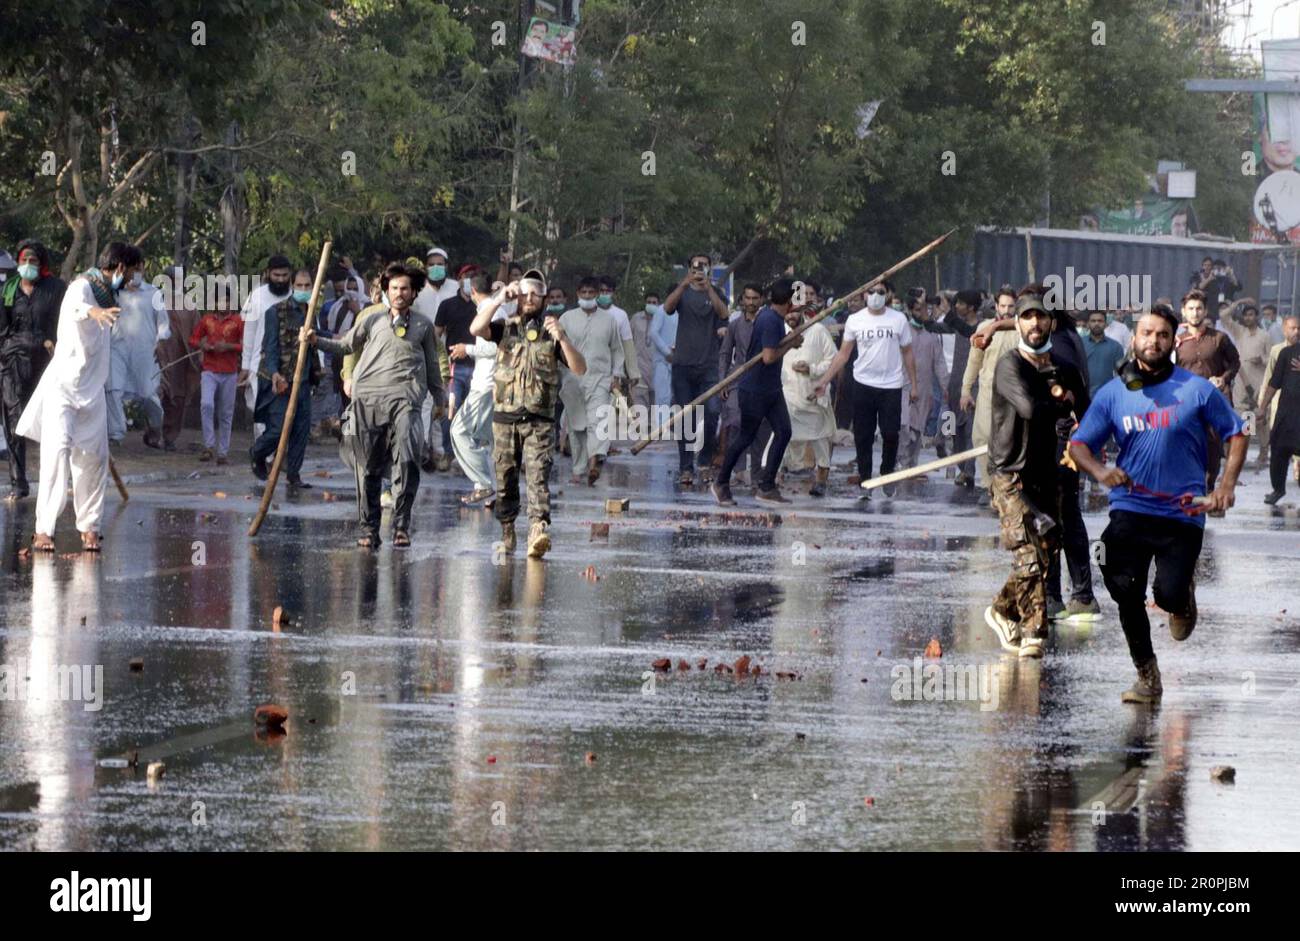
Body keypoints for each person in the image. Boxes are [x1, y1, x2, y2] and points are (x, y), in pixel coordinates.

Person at [1069, 304, 1247, 704]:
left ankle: (1181, 595)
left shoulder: (1197, 389)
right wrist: (1100, 472)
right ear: (1133, 339)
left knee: (1165, 595)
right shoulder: (1114, 394)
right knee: (1120, 582)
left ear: (1173, 341)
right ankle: (1147, 675)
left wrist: (1226, 486)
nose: (1154, 341)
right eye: (1147, 333)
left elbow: (1237, 433)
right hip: (1131, 506)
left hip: (1183, 513)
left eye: (1162, 335)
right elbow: (1079, 444)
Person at [306, 263, 442, 548]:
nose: (399, 293)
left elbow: (432, 366)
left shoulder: (423, 325)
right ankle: (369, 529)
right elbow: (345, 346)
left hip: (405, 403)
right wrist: (315, 341)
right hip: (367, 401)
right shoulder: (371, 320)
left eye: (404, 288)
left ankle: (401, 526)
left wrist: (440, 400)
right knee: (366, 467)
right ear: (386, 291)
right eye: (394, 288)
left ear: (414, 292)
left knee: (407, 461)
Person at [982, 294, 1086, 659]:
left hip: (1049, 471)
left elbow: (1088, 415)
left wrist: (1083, 448)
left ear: (1051, 323)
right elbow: (1028, 407)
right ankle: (1033, 632)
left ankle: (1001, 609)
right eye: (1027, 317)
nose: (1034, 323)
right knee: (1026, 553)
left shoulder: (1066, 368)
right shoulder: (1011, 365)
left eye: (1040, 317)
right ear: (1019, 324)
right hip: (1009, 472)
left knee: (1045, 552)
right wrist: (1061, 399)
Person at [16, 242, 137, 552]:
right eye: (133, 273)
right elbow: (75, 308)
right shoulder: (81, 287)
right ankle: (44, 530)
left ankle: (90, 528)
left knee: (93, 459)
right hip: (64, 390)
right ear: (120, 268)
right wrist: (93, 312)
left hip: (93, 391)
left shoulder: (112, 296)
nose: (134, 281)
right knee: (56, 454)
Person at [470, 269, 586, 559]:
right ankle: (507, 531)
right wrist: (499, 299)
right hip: (505, 417)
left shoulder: (552, 331)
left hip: (539, 419)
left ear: (545, 297)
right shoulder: (505, 327)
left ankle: (538, 529)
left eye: (536, 292)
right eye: (525, 292)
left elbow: (580, 368)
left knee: (538, 478)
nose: (530, 297)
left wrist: (562, 339)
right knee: (505, 479)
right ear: (518, 295)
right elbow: (476, 329)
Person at [814, 279, 918, 498]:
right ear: (864, 295)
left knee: (890, 433)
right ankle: (865, 478)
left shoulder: (898, 320)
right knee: (863, 435)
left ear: (888, 295)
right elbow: (843, 354)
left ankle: (887, 472)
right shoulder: (855, 320)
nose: (876, 295)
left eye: (881, 292)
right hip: (863, 383)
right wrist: (824, 380)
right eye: (872, 291)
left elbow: (908, 352)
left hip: (891, 385)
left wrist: (914, 385)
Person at [712, 278, 800, 505]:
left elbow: (770, 349)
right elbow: (769, 357)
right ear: (789, 301)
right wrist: (791, 344)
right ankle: (721, 482)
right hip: (755, 390)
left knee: (784, 431)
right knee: (746, 437)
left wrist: (790, 339)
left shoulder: (773, 317)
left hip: (771, 388)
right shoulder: (770, 320)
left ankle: (767, 485)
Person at [0, 239, 66, 500]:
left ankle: (56, 482)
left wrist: (54, 342)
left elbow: (64, 323)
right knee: (14, 422)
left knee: (51, 423)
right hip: (12, 363)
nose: (28, 266)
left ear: (42, 264)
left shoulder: (56, 289)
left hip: (46, 363)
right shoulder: (9, 289)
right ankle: (19, 483)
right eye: (24, 261)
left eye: (33, 262)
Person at [663, 253, 729, 485]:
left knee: (712, 412)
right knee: (685, 418)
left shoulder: (717, 293)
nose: (699, 269)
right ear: (689, 267)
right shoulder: (681, 291)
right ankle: (685, 467)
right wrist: (684, 283)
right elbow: (668, 308)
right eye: (695, 266)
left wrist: (709, 288)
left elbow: (724, 314)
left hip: (709, 365)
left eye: (703, 266)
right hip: (683, 365)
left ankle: (705, 457)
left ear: (710, 268)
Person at [251, 268, 320, 489]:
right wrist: (274, 374)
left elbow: (314, 345)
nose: (303, 290)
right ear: (292, 286)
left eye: (307, 286)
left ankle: (293, 474)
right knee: (278, 428)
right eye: (299, 286)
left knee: (301, 429)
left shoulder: (310, 313)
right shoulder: (276, 312)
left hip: (304, 380)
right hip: (281, 379)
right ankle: (257, 453)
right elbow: (269, 347)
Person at [1172, 289, 1240, 494]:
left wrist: (1223, 378)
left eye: (1199, 308)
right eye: (1191, 309)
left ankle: (1209, 483)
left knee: (1213, 446)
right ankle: (1189, 486)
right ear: (1184, 312)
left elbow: (1235, 362)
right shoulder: (1176, 342)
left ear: (1206, 311)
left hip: (1214, 402)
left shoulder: (1220, 339)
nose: (1195, 313)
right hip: (1185, 402)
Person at [559, 277, 623, 485]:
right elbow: (557, 349)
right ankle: (578, 470)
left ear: (597, 294)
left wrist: (616, 375)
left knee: (598, 421)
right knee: (577, 426)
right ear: (577, 294)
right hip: (572, 379)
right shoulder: (566, 319)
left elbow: (616, 349)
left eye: (591, 292)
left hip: (600, 378)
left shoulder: (609, 320)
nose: (587, 296)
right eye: (583, 292)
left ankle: (594, 463)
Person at [450, 275, 503, 506]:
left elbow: (495, 348)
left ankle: (483, 484)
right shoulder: (490, 309)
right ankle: (497, 489)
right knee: (486, 439)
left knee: (459, 431)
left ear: (471, 291)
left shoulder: (492, 312)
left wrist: (467, 349)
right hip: (487, 383)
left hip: (486, 385)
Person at [106, 255, 168, 448]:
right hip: (117, 349)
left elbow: (164, 325)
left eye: (136, 268)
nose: (133, 273)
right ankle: (115, 434)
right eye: (129, 269)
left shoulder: (154, 293)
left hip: (145, 352)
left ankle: (156, 427)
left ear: (142, 267)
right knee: (113, 390)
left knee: (148, 394)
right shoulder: (114, 293)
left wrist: (160, 343)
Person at [781, 300, 838, 495]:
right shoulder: (778, 329)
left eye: (795, 312)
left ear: (803, 311)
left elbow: (834, 359)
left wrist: (812, 369)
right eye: (787, 312)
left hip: (812, 394)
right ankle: (771, 478)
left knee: (820, 437)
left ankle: (821, 479)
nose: (791, 316)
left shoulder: (818, 330)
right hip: (787, 394)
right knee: (781, 436)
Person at [963, 287, 1018, 488]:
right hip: (987, 392)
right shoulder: (984, 328)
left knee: (1010, 443)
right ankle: (989, 487)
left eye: (1011, 306)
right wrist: (966, 391)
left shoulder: (1023, 330)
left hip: (1014, 395)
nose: (1006, 310)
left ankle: (1007, 488)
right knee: (982, 437)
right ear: (996, 306)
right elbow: (974, 361)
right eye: (1002, 305)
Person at [413, 246, 457, 471]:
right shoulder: (417, 291)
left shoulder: (456, 289)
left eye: (440, 264)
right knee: (424, 402)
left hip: (450, 353)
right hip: (421, 352)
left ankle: (440, 452)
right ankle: (422, 448)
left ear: (447, 266)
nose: (436, 268)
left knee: (443, 402)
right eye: (432, 264)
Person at [718, 284, 766, 486]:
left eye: (755, 298)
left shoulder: (768, 322)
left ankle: (756, 475)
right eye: (748, 298)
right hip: (738, 379)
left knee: (760, 429)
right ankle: (737, 471)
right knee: (736, 422)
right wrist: (723, 382)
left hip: (763, 380)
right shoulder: (735, 325)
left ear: (761, 300)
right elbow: (725, 353)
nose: (752, 302)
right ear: (742, 300)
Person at [189, 296, 243, 464]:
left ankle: (223, 453)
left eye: (227, 301)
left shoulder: (238, 321)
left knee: (226, 413)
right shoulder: (207, 320)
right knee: (206, 404)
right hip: (209, 370)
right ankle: (208, 446)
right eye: (219, 301)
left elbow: (245, 345)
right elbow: (193, 340)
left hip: (230, 371)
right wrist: (202, 346)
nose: (223, 304)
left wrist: (228, 347)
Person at [901, 288, 949, 471]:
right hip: (903, 387)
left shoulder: (932, 334)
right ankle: (902, 464)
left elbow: (939, 363)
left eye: (926, 309)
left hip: (925, 390)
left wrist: (946, 387)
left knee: (918, 429)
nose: (924, 313)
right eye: (919, 309)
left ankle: (911, 466)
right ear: (910, 310)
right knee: (904, 427)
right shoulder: (903, 331)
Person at [1221, 302, 1273, 463]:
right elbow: (1223, 316)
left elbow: (1271, 360)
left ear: (1256, 317)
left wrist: (1261, 360)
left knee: (1261, 417)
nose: (1249, 317)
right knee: (1244, 417)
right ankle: (1242, 451)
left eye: (1251, 314)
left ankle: (1264, 450)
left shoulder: (1264, 335)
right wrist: (1239, 302)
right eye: (1246, 315)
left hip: (1259, 383)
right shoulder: (1239, 332)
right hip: (1242, 383)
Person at [1258, 313, 1300, 505]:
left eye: (1299, 329)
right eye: (1293, 328)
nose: (1297, 332)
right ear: (1284, 330)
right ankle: (1278, 489)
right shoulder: (1284, 353)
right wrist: (1262, 407)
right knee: (1279, 450)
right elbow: (1274, 383)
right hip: (1285, 412)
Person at [1083, 310, 1126, 397]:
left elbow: (1121, 374)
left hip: (1107, 396)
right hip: (1084, 396)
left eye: (1100, 321)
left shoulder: (1115, 346)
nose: (1096, 324)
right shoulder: (1080, 344)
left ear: (1106, 324)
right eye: (1093, 321)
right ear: (1088, 324)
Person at [629, 292, 659, 412]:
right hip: (639, 367)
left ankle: (654, 429)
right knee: (640, 404)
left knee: (656, 403)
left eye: (654, 303)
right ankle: (640, 429)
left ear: (658, 304)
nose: (651, 304)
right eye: (649, 302)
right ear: (645, 303)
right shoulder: (636, 318)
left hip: (657, 367)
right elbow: (628, 340)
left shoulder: (662, 319)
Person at [649, 290, 678, 409]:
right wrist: (667, 352)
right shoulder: (661, 310)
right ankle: (662, 427)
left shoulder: (683, 311)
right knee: (662, 399)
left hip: (679, 361)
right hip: (663, 361)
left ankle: (675, 426)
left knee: (676, 398)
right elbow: (653, 333)